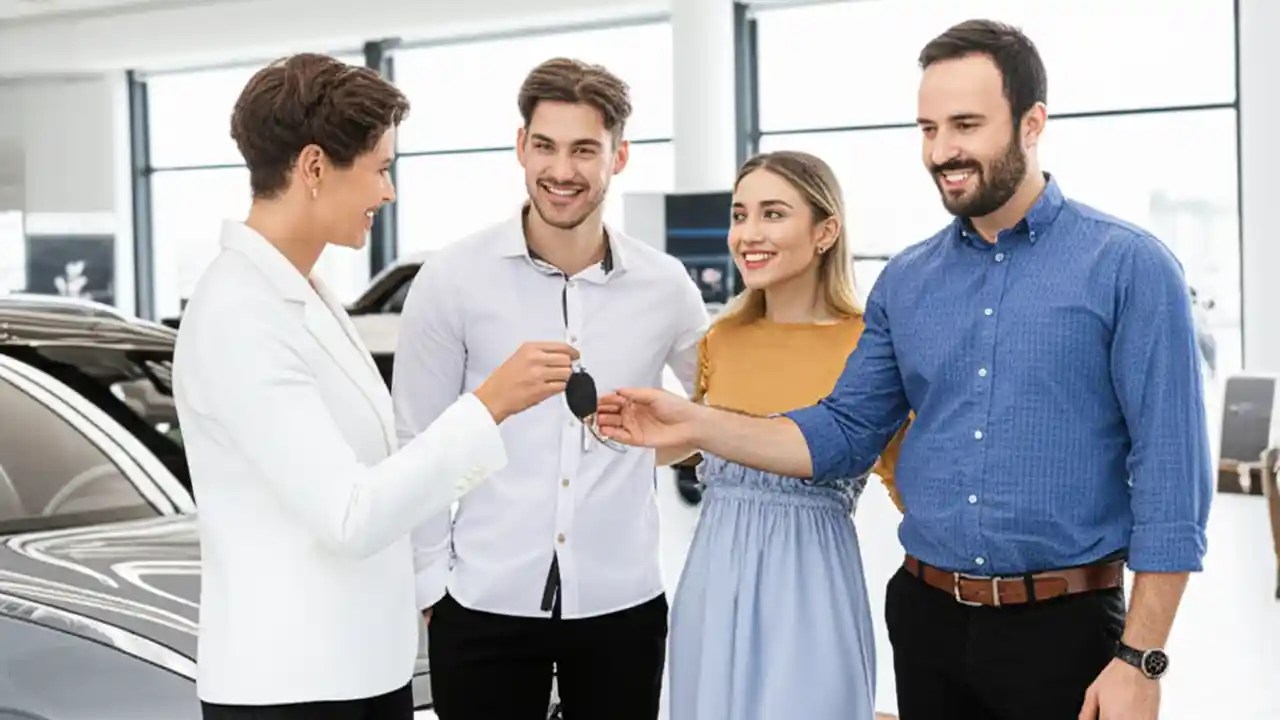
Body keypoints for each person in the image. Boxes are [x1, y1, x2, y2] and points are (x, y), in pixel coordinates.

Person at [597, 19, 1212, 720]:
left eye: (966, 125)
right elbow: (842, 434)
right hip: (926, 622)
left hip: (1064, 630)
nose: (942, 151)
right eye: (927, 128)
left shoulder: (1129, 267)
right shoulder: (907, 282)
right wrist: (694, 421)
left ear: (1032, 123)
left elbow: (1172, 481)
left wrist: (1141, 659)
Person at [173, 53, 578, 720]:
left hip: (354, 671)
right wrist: (489, 405)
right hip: (294, 688)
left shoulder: (301, 291)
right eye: (381, 168)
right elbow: (350, 513)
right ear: (312, 168)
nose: (387, 192)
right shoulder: (240, 314)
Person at [391, 57, 708, 719]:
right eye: (546, 146)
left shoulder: (665, 286)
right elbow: (414, 437)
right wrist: (431, 585)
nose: (562, 171)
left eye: (585, 150)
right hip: (480, 601)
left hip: (622, 603)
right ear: (520, 147)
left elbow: (713, 417)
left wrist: (666, 443)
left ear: (619, 158)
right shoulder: (453, 280)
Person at [660, 149, 907, 720]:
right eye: (739, 214)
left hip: (813, 599)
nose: (748, 233)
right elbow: (699, 440)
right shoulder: (720, 340)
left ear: (825, 231)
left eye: (772, 213)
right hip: (712, 591)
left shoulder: (868, 346)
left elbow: (912, 488)